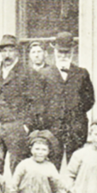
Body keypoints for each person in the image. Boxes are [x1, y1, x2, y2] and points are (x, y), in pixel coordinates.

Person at [0, 34, 45, 174]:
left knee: (18, 166)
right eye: (4, 51)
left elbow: (36, 103)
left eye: (10, 50)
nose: (7, 54)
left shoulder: (28, 73)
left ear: (17, 52)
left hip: (16, 125)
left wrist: (26, 125)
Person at [50, 32, 95, 167]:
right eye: (60, 52)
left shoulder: (81, 73)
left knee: (75, 165)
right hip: (52, 127)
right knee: (52, 165)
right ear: (54, 51)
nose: (63, 56)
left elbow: (89, 100)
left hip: (75, 127)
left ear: (72, 52)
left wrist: (74, 110)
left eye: (66, 52)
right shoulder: (44, 74)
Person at [28, 40, 65, 168]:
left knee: (52, 155)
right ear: (29, 55)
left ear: (45, 54)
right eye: (33, 52)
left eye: (39, 52)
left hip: (49, 121)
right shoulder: (24, 73)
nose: (36, 55)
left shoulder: (53, 72)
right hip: (31, 121)